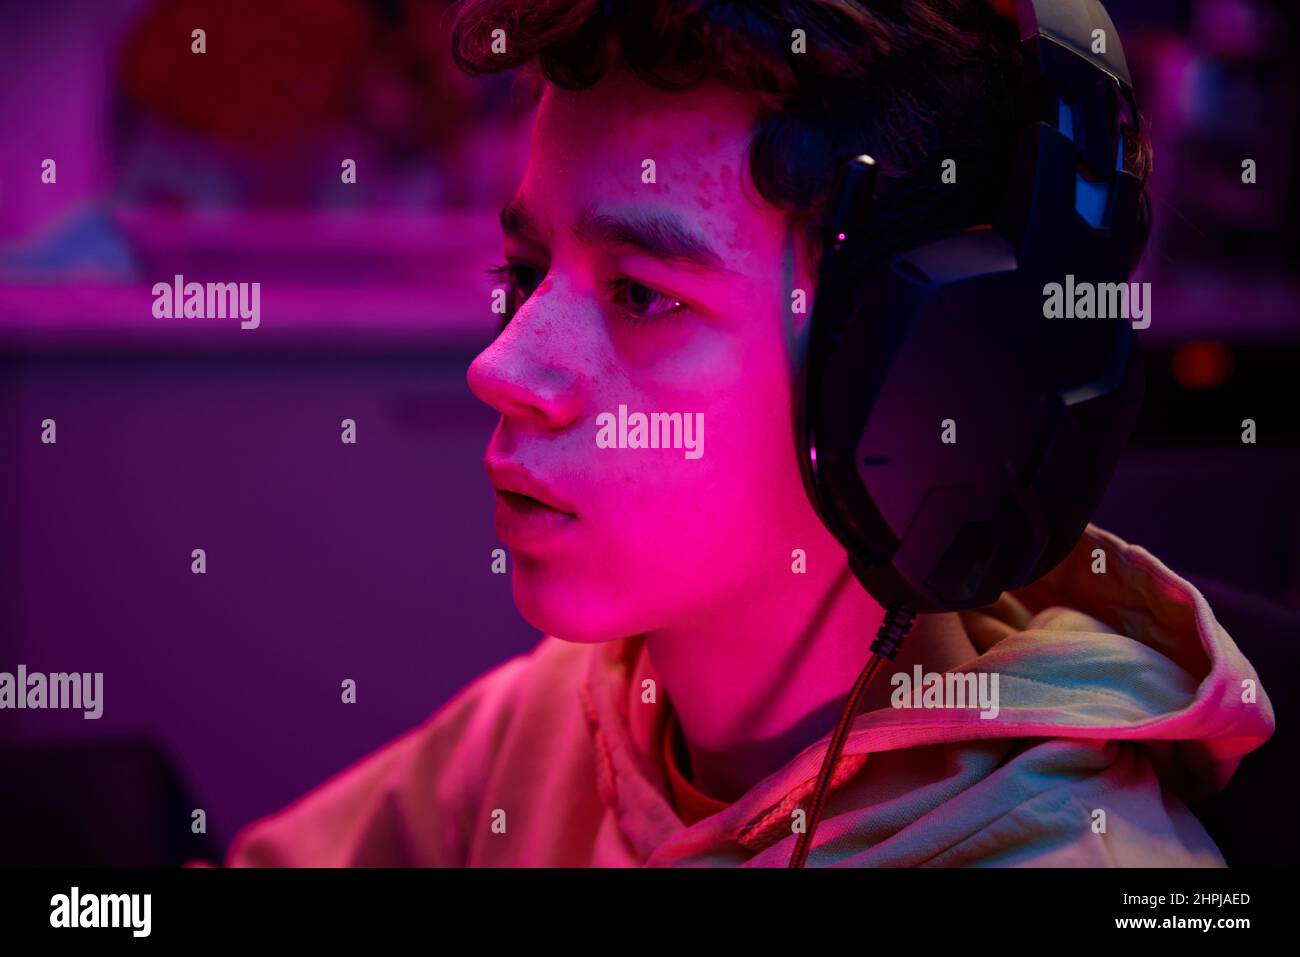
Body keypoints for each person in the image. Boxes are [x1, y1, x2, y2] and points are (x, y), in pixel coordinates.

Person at [227, 0, 1274, 867]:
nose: (499, 368)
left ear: (917, 383)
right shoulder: (567, 717)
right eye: (525, 275)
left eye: (642, 295)